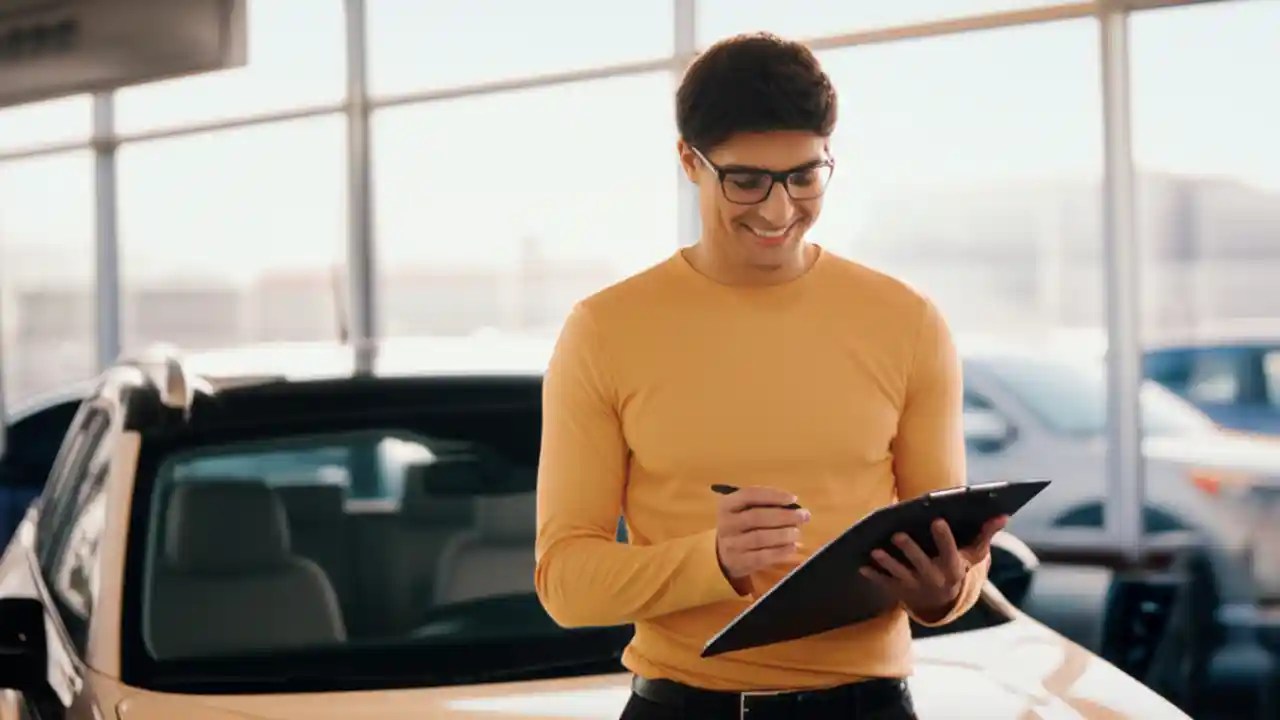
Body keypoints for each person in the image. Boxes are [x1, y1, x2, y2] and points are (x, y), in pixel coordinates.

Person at [534, 31, 1007, 720]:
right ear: (688, 163)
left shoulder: (906, 321)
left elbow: (951, 552)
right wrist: (712, 562)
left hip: (868, 708)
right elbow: (565, 583)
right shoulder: (605, 330)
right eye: (746, 180)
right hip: (684, 709)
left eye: (805, 177)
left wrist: (946, 592)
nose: (779, 211)